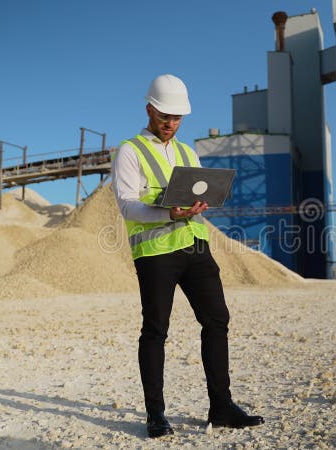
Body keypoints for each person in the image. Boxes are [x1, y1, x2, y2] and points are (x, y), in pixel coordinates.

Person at [111, 74, 264, 438]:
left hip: (195, 244)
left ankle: (221, 408)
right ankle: (155, 415)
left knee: (217, 321)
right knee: (156, 331)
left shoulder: (187, 152)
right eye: (165, 116)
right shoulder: (130, 150)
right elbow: (127, 205)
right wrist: (169, 213)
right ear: (149, 108)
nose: (171, 124)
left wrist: (197, 206)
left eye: (177, 118)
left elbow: (196, 198)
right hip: (155, 252)